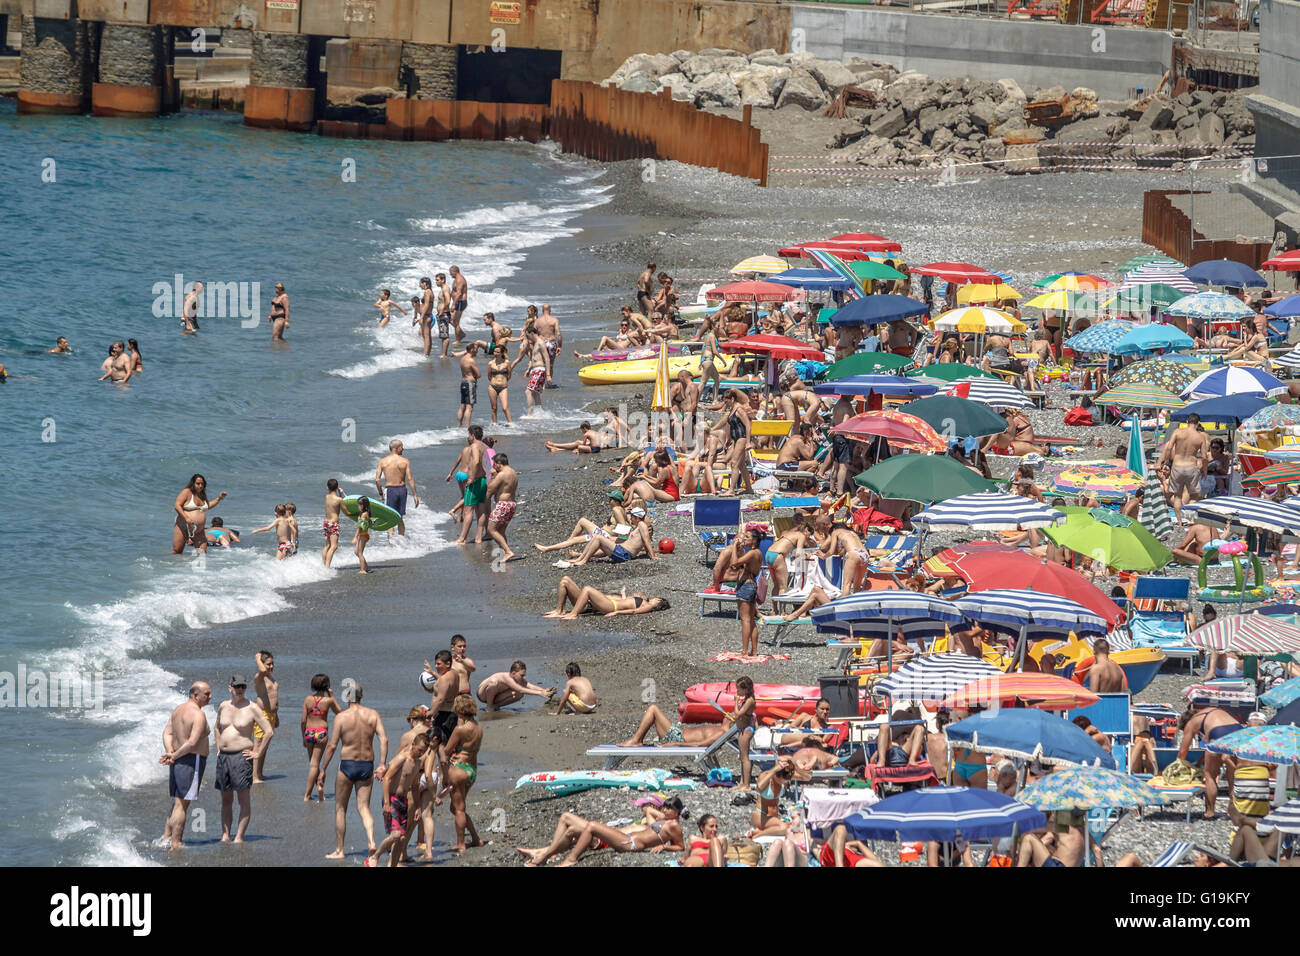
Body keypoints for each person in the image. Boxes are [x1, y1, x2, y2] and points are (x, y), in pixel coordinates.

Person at [319, 678, 388, 859]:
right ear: (362, 696)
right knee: (364, 807)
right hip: (367, 765)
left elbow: (332, 746)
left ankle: (340, 850)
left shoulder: (341, 717)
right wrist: (382, 764)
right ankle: (372, 841)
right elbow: (384, 739)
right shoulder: (373, 715)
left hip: (347, 765)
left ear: (347, 696)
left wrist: (323, 769)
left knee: (340, 808)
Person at [518, 797, 686, 867]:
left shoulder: (674, 826)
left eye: (669, 807)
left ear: (677, 811)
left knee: (591, 826)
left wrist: (664, 848)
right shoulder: (665, 821)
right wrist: (663, 815)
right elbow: (649, 811)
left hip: (631, 844)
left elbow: (680, 846)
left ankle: (570, 859)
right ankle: (545, 856)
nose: (665, 809)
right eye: (664, 806)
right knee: (572, 830)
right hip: (627, 839)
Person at [213, 674, 274, 843]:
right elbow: (217, 727)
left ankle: (239, 837)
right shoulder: (223, 706)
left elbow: (268, 731)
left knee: (243, 799)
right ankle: (225, 835)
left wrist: (258, 753)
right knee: (226, 800)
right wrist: (219, 746)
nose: (240, 690)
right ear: (230, 688)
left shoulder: (252, 708)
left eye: (243, 687)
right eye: (237, 686)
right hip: (224, 757)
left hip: (241, 757)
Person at [159, 681, 212, 850]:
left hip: (179, 760)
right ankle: (176, 843)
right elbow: (192, 742)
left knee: (177, 802)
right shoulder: (198, 714)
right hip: (190, 760)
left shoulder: (178, 709)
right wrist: (173, 754)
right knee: (182, 805)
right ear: (196, 695)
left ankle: (166, 838)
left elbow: (167, 732)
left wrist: (170, 752)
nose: (210, 697)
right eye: (207, 694)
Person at [368, 730, 429, 867]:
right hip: (392, 798)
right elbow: (387, 778)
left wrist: (418, 807)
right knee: (395, 835)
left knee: (401, 839)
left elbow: (415, 786)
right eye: (419, 750)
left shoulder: (418, 763)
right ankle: (375, 856)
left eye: (423, 751)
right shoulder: (402, 758)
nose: (421, 753)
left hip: (404, 801)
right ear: (413, 744)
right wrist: (387, 803)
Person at [1178, 704, 1244, 820]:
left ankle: (1210, 812)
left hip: (1217, 733)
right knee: (1232, 775)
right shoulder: (1211, 712)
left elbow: (1183, 751)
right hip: (1238, 731)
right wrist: (1199, 762)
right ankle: (1231, 811)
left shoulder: (1191, 722)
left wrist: (1177, 767)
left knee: (1210, 775)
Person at [439, 694, 484, 852]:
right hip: (472, 770)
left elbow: (446, 751)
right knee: (458, 808)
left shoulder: (460, 729)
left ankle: (461, 844)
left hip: (458, 769)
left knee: (458, 809)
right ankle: (476, 839)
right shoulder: (478, 726)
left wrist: (443, 773)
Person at [1158, 413, 1210, 524]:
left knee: (1177, 495)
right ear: (1198, 423)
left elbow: (1169, 447)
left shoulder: (1177, 432)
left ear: (1187, 421)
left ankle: (1180, 521)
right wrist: (1204, 470)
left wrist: (1166, 462)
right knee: (1194, 495)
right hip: (1191, 466)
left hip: (1177, 466)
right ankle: (1190, 520)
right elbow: (1205, 457)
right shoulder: (1200, 437)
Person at [566, 505, 659, 566]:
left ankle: (583, 560)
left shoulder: (642, 525)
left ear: (638, 518)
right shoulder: (639, 526)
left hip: (624, 554)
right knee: (597, 537)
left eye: (632, 517)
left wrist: (652, 555)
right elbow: (643, 541)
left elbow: (646, 540)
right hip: (622, 552)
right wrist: (647, 553)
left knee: (598, 537)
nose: (630, 519)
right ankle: (580, 558)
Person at [544, 576, 670, 618]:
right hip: (592, 604)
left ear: (659, 600)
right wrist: (624, 593)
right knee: (565, 580)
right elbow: (627, 602)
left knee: (587, 589)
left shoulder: (648, 606)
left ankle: (573, 614)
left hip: (611, 606)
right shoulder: (643, 601)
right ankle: (559, 610)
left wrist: (616, 613)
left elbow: (634, 611)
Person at [300, 674, 340, 802]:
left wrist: (303, 737)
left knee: (313, 764)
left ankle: (318, 788)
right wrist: (332, 696)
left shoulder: (307, 699)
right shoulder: (328, 701)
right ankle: (307, 795)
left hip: (309, 732)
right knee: (315, 765)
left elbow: (302, 721)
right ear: (327, 686)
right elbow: (340, 713)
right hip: (321, 732)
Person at [172, 474, 226, 554]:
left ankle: (196, 566)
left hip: (199, 530)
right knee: (177, 551)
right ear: (193, 483)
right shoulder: (187, 492)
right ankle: (173, 566)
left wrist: (219, 499)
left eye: (202, 484)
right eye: (198, 484)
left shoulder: (202, 494)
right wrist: (186, 518)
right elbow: (177, 505)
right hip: (183, 526)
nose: (200, 486)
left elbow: (208, 506)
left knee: (202, 553)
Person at [375, 438, 419, 537]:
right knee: (400, 517)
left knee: (389, 518)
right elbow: (410, 478)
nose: (403, 449)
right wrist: (415, 495)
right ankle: (401, 542)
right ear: (396, 448)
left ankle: (391, 545)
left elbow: (377, 480)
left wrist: (381, 494)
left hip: (390, 491)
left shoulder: (383, 461)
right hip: (402, 490)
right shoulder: (405, 461)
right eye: (401, 447)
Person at [730, 528, 763, 658]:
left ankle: (744, 650)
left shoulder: (752, 553)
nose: (745, 539)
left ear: (754, 540)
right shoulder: (757, 552)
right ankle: (753, 651)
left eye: (748, 537)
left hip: (745, 586)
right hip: (751, 584)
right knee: (751, 620)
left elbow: (733, 564)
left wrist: (734, 547)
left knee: (745, 620)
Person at [456, 426, 489, 546]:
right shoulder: (485, 446)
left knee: (468, 510)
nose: (468, 437)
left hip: (475, 481)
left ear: (473, 435)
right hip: (483, 480)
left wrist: (472, 477)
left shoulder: (474, 446)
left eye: (469, 434)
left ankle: (462, 538)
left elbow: (475, 461)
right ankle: (479, 537)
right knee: (481, 510)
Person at [476, 661, 556, 711]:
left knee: (519, 694)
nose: (523, 677)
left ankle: (495, 706)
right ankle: (489, 707)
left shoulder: (517, 679)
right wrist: (540, 693)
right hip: (483, 694)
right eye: (522, 675)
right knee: (493, 683)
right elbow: (520, 689)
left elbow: (529, 685)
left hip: (496, 695)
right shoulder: (507, 677)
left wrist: (544, 690)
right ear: (513, 673)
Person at [249, 651, 278, 783]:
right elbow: (261, 669)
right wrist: (257, 658)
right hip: (262, 714)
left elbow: (274, 699)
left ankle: (259, 773)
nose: (271, 666)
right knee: (258, 744)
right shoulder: (259, 677)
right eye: (268, 664)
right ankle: (254, 776)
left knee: (265, 746)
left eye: (272, 663)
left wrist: (276, 716)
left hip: (271, 714)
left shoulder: (272, 679)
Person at [424, 650, 460, 744]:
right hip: (452, 713)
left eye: (439, 664)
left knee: (442, 745)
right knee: (451, 743)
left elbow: (440, 699)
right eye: (435, 664)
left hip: (444, 716)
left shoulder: (444, 679)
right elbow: (445, 683)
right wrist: (432, 672)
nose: (436, 666)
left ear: (448, 664)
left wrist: (431, 712)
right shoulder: (454, 673)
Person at [513, 326, 549, 414]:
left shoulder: (540, 343)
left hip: (539, 370)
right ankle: (540, 412)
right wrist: (529, 369)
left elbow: (547, 358)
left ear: (532, 334)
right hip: (536, 370)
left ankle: (530, 414)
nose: (528, 338)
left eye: (528, 336)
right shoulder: (536, 343)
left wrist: (548, 375)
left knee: (528, 391)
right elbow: (534, 358)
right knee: (535, 393)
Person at [535, 303, 563, 385]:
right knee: (550, 364)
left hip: (541, 343)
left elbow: (533, 333)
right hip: (551, 343)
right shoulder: (554, 320)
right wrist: (560, 346)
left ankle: (541, 384)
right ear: (550, 310)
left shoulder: (537, 321)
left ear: (542, 310)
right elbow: (558, 334)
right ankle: (549, 383)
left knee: (541, 363)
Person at [486, 344, 513, 425]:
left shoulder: (507, 362)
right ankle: (494, 424)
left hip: (503, 387)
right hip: (492, 387)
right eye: (494, 351)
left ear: (502, 353)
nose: (495, 353)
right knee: (494, 408)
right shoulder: (490, 363)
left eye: (497, 352)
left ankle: (511, 424)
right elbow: (489, 376)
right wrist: (494, 382)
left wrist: (504, 381)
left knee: (505, 408)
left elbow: (509, 375)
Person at [322, 478, 345, 567]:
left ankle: (323, 565)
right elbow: (346, 511)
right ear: (337, 487)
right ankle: (327, 567)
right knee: (334, 546)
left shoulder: (327, 497)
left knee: (327, 545)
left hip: (326, 523)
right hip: (333, 524)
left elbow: (334, 502)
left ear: (327, 487)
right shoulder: (339, 499)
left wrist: (340, 494)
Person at [434, 273, 453, 358]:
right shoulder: (443, 288)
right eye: (436, 280)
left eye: (437, 280)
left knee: (445, 335)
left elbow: (448, 301)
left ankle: (444, 354)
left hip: (444, 314)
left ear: (443, 280)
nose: (436, 282)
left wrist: (441, 311)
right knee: (443, 334)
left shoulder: (445, 288)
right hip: (443, 314)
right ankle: (443, 353)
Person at [449, 265, 469, 343]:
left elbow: (459, 293)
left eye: (451, 273)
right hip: (458, 302)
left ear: (455, 271)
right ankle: (461, 334)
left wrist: (453, 304)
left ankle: (458, 339)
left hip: (460, 302)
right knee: (450, 319)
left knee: (455, 321)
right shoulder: (456, 279)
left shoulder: (460, 280)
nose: (450, 275)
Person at [416, 276, 434, 357]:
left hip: (426, 316)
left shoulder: (427, 292)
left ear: (424, 283)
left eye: (420, 283)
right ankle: (427, 353)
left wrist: (422, 317)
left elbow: (426, 305)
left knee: (426, 336)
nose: (420, 285)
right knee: (426, 336)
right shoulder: (428, 291)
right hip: (427, 315)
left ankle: (426, 354)